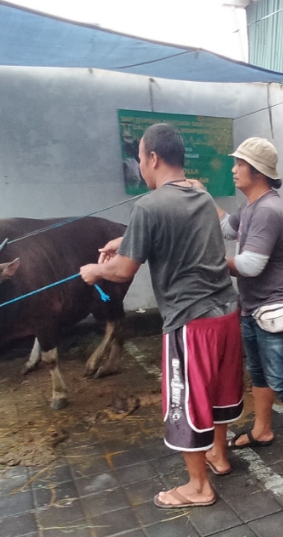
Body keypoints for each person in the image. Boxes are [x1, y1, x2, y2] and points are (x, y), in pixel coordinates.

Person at [80, 123, 243, 508]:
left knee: (186, 400)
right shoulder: (201, 195)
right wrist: (124, 240)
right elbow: (169, 231)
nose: (139, 166)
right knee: (218, 391)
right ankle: (218, 456)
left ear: (152, 158)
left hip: (190, 322)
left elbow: (122, 271)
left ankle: (198, 487)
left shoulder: (149, 206)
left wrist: (95, 271)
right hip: (225, 313)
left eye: (139, 158)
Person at [195, 137, 283, 478]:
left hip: (275, 306)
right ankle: (263, 429)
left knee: (282, 380)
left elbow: (250, 266)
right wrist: (202, 197)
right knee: (261, 374)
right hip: (254, 307)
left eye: (239, 164)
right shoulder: (252, 206)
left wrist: (206, 263)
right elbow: (225, 228)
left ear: (257, 171)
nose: (234, 170)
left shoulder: (267, 210)